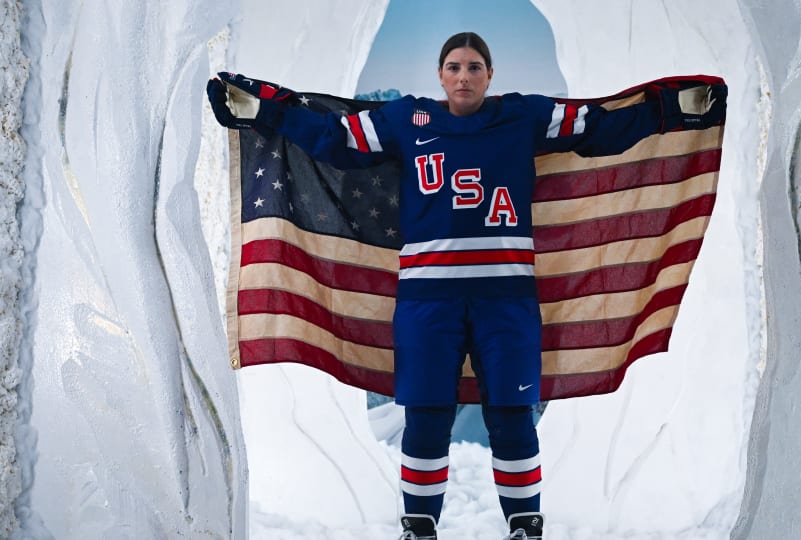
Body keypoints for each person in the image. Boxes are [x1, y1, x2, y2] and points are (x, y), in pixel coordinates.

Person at [207, 31, 724, 540]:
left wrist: (671, 109)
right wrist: (264, 111)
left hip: (506, 299)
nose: (464, 76)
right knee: (427, 415)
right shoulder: (408, 119)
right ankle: (419, 526)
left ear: (490, 75)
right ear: (440, 75)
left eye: (474, 67)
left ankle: (525, 525)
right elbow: (336, 138)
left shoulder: (522, 116)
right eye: (454, 67)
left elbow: (599, 128)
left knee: (512, 415)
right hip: (428, 300)